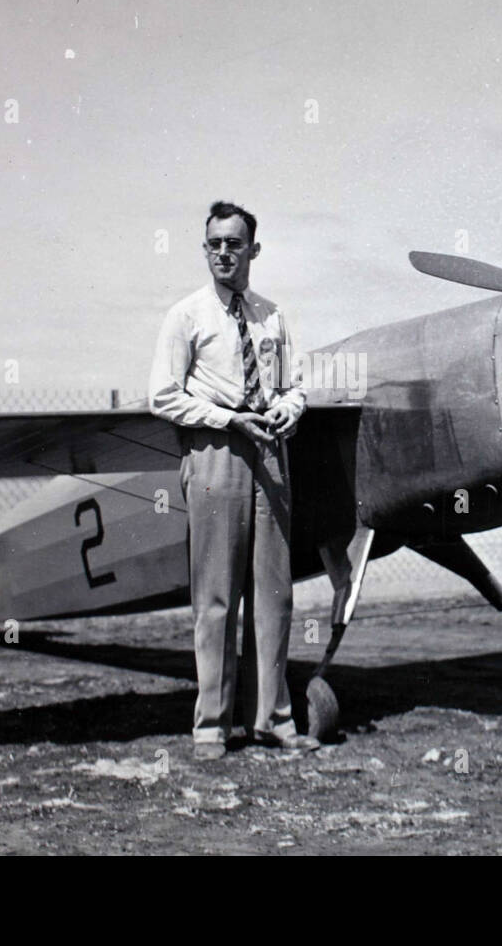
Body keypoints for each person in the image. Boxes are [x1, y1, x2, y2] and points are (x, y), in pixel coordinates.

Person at [148, 201, 319, 760]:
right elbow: (163, 395)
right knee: (217, 595)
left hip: (270, 453)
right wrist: (227, 419)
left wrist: (292, 408)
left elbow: (294, 385)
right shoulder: (186, 316)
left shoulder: (272, 316)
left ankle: (273, 719)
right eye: (214, 244)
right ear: (205, 250)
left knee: (273, 593)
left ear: (253, 250)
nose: (224, 253)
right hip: (216, 450)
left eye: (234, 244)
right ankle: (211, 727)